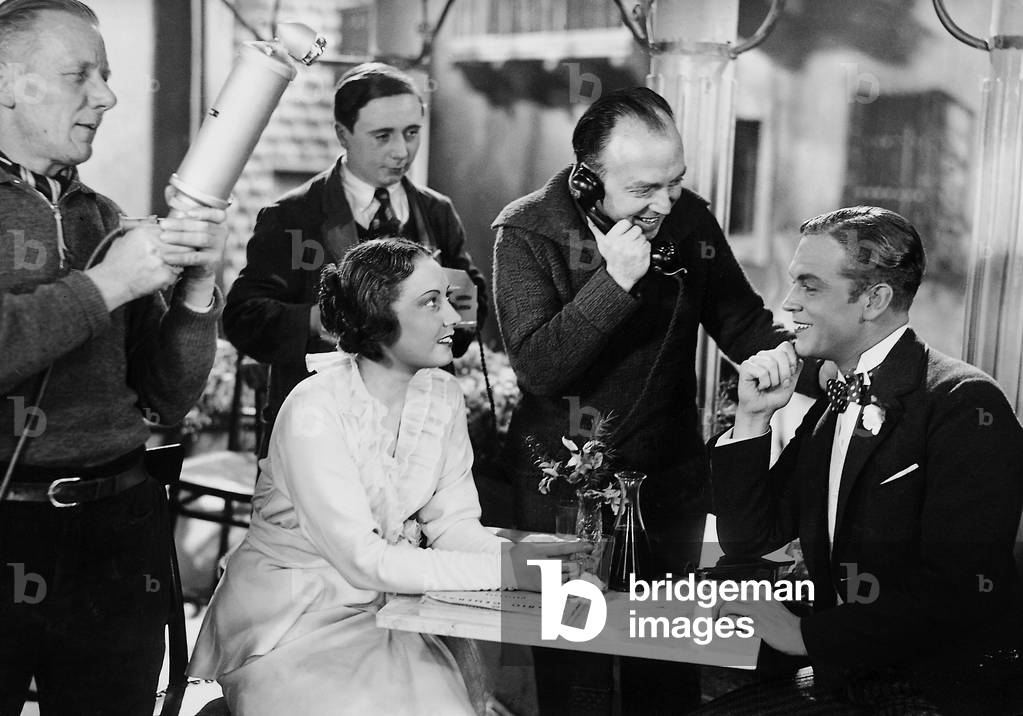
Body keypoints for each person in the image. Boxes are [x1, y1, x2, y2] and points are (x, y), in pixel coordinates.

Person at [492, 86, 793, 712]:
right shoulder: (524, 231)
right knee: (573, 668)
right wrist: (615, 282)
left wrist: (814, 356)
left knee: (667, 662)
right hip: (562, 488)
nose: (664, 203)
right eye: (643, 191)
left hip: (667, 478)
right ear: (585, 180)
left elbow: (741, 322)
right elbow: (540, 369)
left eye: (674, 183)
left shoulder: (688, 219)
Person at [190, 239, 582, 716]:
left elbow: (453, 527)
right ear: (378, 317)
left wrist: (533, 559)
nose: (451, 319)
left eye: (448, 299)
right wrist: (513, 572)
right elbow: (364, 560)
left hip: (387, 609)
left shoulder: (441, 394)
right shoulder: (315, 411)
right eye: (430, 302)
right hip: (290, 620)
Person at [0, 1, 228, 714]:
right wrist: (112, 282)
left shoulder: (99, 214)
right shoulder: (112, 251)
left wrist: (195, 293)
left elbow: (164, 395)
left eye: (107, 75)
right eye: (80, 75)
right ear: (7, 83)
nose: (107, 95)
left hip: (117, 525)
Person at [711, 206, 1023, 713]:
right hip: (849, 676)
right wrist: (752, 421)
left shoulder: (965, 402)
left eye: (810, 287)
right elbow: (752, 538)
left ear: (874, 300)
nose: (788, 303)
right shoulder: (835, 401)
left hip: (936, 688)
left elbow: (959, 588)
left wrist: (805, 635)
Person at [224, 62, 487, 454]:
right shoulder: (292, 216)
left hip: (417, 438)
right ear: (342, 134)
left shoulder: (436, 213)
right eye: (382, 136)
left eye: (411, 133)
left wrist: (442, 314)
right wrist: (321, 318)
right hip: (318, 439)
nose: (401, 152)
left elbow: (468, 312)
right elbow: (244, 320)